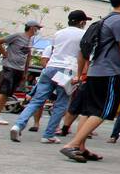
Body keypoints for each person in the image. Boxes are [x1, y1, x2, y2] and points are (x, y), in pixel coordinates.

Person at [60, 0, 120, 163]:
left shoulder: (106, 19)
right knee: (104, 110)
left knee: (89, 111)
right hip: (109, 72)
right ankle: (72, 145)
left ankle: (81, 147)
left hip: (95, 70)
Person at [9, 10, 89, 144]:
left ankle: (18, 125)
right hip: (67, 69)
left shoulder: (58, 33)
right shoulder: (84, 34)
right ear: (81, 22)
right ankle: (49, 134)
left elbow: (53, 50)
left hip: (51, 67)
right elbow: (83, 55)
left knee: (37, 100)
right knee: (61, 103)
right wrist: (79, 75)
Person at [0, 20, 40, 125]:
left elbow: (28, 56)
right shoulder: (18, 36)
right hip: (10, 67)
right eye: (37, 28)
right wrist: (4, 53)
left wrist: (25, 72)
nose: (38, 30)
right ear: (32, 27)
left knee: (8, 93)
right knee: (3, 91)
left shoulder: (30, 40)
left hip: (19, 69)